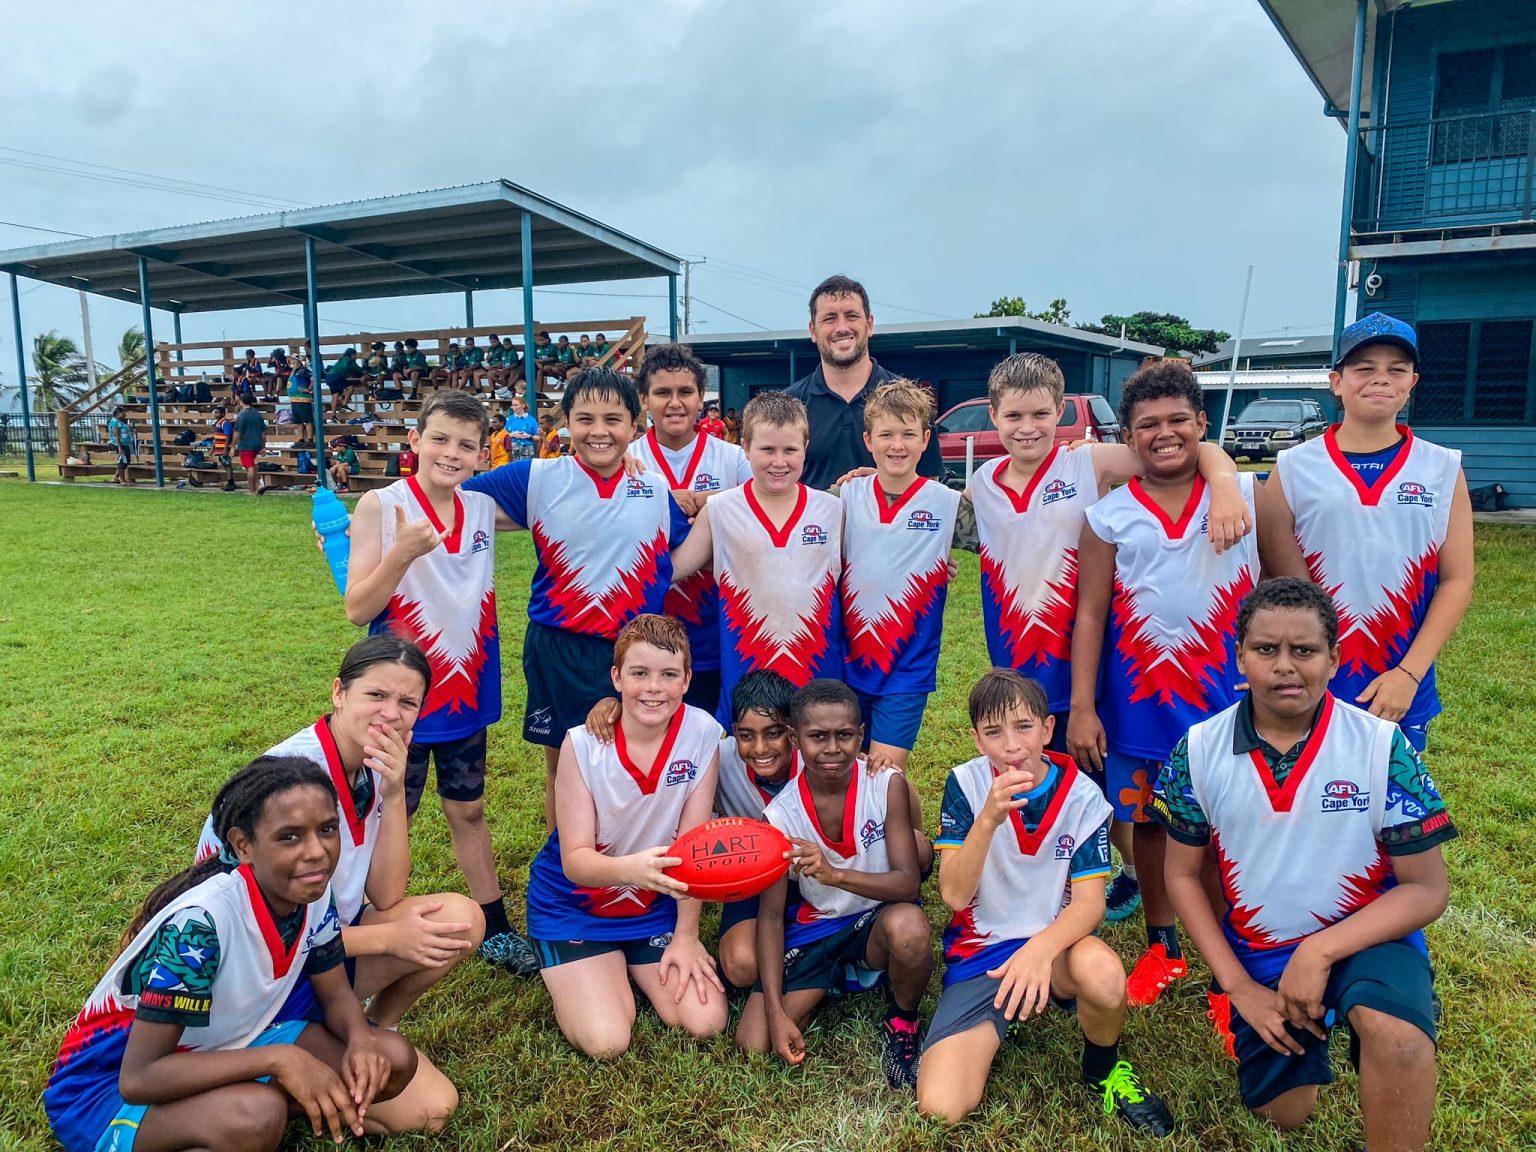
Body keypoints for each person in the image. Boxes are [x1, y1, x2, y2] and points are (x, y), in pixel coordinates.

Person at [1154, 578, 1455, 1148]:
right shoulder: (1196, 750)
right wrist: (1237, 985)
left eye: (1305, 650)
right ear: (1239, 655)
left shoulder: (1382, 746)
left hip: (1367, 937)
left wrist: (1319, 951)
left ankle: (1377, 999)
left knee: (1399, 1040)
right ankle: (1325, 1013)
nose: (1285, 666)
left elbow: (1426, 890)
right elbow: (1181, 875)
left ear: (1335, 659)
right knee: (1284, 1114)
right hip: (1261, 954)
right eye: (1266, 650)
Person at [969, 352, 1248, 924]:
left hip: (1088, 673)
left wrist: (1223, 482)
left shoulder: (1087, 465)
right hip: (1022, 674)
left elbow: (1185, 446)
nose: (1028, 428)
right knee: (1043, 783)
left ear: (1061, 414)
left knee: (1107, 788)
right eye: (1014, 416)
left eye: (1042, 414)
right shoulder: (980, 482)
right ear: (993, 416)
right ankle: (1056, 885)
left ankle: (1129, 880)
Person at [43, 757, 443, 1152]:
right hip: (105, 1088)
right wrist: (278, 1060)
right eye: (290, 836)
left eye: (327, 829)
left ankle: (245, 1113)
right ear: (243, 845)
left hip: (230, 1043)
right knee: (257, 1116)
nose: (317, 851)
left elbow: (336, 992)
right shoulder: (200, 928)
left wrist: (358, 1038)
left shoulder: (313, 894)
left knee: (391, 1057)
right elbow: (139, 1077)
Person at [1068, 360, 1298, 1010]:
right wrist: (1084, 704)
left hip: (1230, 708)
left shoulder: (1249, 499)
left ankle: (1244, 961)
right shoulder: (1108, 515)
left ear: (1203, 424)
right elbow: (1090, 613)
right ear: (1130, 436)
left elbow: (1292, 590)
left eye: (1177, 421)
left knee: (1236, 833)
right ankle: (1163, 945)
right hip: (1139, 709)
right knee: (1148, 825)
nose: (1163, 434)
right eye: (1148, 425)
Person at [915, 670, 1174, 1134]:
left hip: (1056, 948)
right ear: (977, 740)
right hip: (983, 952)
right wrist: (988, 820)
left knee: (1104, 972)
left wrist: (1038, 951)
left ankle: (1103, 1068)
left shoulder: (1082, 796)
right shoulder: (966, 785)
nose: (1011, 745)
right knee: (941, 1106)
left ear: (1047, 730)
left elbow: (1090, 905)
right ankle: (993, 1016)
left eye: (1024, 727)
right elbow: (953, 894)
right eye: (994, 732)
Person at [343, 389, 538, 976]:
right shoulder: (382, 506)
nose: (451, 453)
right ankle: (344, 925)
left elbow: (564, 491)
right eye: (440, 438)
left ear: (484, 455)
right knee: (376, 813)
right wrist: (400, 553)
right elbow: (357, 608)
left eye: (466, 445)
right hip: (401, 699)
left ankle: (496, 928)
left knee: (469, 810)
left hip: (466, 690)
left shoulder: (481, 508)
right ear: (415, 442)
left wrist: (633, 463)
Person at [460, 367, 692, 827]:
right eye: (585, 419)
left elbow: (695, 528)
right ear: (566, 422)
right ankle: (565, 863)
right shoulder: (537, 478)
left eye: (613, 419)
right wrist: (369, 517)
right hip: (559, 647)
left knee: (635, 760)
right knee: (563, 766)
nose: (599, 432)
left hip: (635, 651)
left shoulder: (653, 487)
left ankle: (626, 860)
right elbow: (449, 498)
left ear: (634, 425)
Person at [1261, 312, 1474, 756]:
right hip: (1306, 679)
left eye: (1396, 369)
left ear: (1412, 382)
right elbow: (1275, 579)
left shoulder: (1441, 468)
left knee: (1388, 816)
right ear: (1336, 381)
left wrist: (1409, 675)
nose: (1381, 379)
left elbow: (1457, 580)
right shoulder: (1295, 466)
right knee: (1300, 813)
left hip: (1396, 683)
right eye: (1364, 368)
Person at [525, 614, 727, 1058]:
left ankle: (627, 959)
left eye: (668, 675)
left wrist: (687, 936)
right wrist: (634, 869)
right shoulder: (582, 744)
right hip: (574, 904)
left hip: (649, 905)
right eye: (639, 673)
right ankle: (584, 963)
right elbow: (575, 859)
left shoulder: (703, 734)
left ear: (687, 680)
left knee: (706, 1020)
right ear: (616, 677)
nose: (653, 687)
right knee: (607, 1040)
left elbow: (693, 849)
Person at [737, 679, 931, 1090]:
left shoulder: (884, 785)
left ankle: (902, 1020)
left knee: (911, 930)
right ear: (795, 738)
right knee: (753, 1043)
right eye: (817, 736)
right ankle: (841, 976)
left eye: (844, 735)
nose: (831, 748)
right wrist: (774, 1009)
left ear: (861, 735)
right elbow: (771, 919)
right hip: (820, 927)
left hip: (875, 919)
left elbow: (908, 884)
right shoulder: (779, 816)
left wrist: (833, 873)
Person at [668, 390, 844, 726]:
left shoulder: (833, 509)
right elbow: (670, 569)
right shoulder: (720, 510)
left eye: (790, 450)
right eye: (767, 449)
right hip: (747, 679)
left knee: (817, 769)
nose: (779, 461)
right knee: (750, 768)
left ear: (805, 448)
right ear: (745, 447)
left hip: (818, 678)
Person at [839, 378, 961, 773]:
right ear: (868, 439)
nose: (897, 445)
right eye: (886, 434)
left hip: (907, 667)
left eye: (908, 434)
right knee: (843, 771)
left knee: (882, 776)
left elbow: (1016, 537)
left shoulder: (948, 504)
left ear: (926, 440)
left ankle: (900, 837)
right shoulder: (842, 497)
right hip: (845, 662)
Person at [627, 343, 752, 714]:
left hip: (719, 633)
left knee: (717, 743)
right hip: (648, 635)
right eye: (662, 393)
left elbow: (760, 506)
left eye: (686, 392)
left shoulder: (732, 458)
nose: (675, 403)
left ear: (701, 398)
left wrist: (707, 500)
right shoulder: (630, 461)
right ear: (644, 400)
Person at [786, 274, 943, 489]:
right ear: (813, 331)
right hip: (812, 523)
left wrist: (889, 482)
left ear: (869, 325)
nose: (842, 327)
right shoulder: (788, 406)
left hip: (890, 523)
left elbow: (930, 489)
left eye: (851, 316)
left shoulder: (911, 403)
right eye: (830, 318)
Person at [233, 392, 266, 497]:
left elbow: (237, 432)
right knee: (253, 465)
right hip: (257, 443)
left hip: (246, 444)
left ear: (242, 401)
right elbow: (263, 432)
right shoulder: (257, 414)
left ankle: (252, 490)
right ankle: (259, 485)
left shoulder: (241, 415)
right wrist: (263, 445)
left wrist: (232, 446)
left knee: (249, 467)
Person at [326, 348, 365, 415]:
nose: (356, 357)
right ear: (352, 355)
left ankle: (333, 415)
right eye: (355, 355)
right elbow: (358, 370)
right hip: (337, 377)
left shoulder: (341, 360)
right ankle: (344, 405)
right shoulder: (349, 361)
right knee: (351, 387)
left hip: (329, 377)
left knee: (335, 396)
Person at [107, 405, 136, 485]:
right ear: (118, 413)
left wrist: (131, 432)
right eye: (123, 413)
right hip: (119, 444)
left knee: (126, 461)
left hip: (125, 444)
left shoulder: (121, 422)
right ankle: (122, 480)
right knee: (122, 461)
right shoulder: (114, 422)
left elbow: (124, 432)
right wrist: (120, 447)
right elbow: (116, 435)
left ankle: (116, 477)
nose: (125, 414)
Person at [287, 360, 315, 444]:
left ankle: (310, 439)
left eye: (294, 361)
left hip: (303, 399)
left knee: (307, 420)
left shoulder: (303, 371)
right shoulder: (294, 371)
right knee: (298, 421)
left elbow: (313, 377)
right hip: (294, 400)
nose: (291, 363)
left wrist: (309, 389)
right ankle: (301, 439)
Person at [505, 394, 539, 459]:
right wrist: (512, 434)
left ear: (523, 405)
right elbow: (502, 435)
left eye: (516, 405)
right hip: (512, 449)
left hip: (527, 449)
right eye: (512, 405)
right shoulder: (509, 419)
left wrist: (528, 436)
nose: (513, 407)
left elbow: (539, 437)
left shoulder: (531, 420)